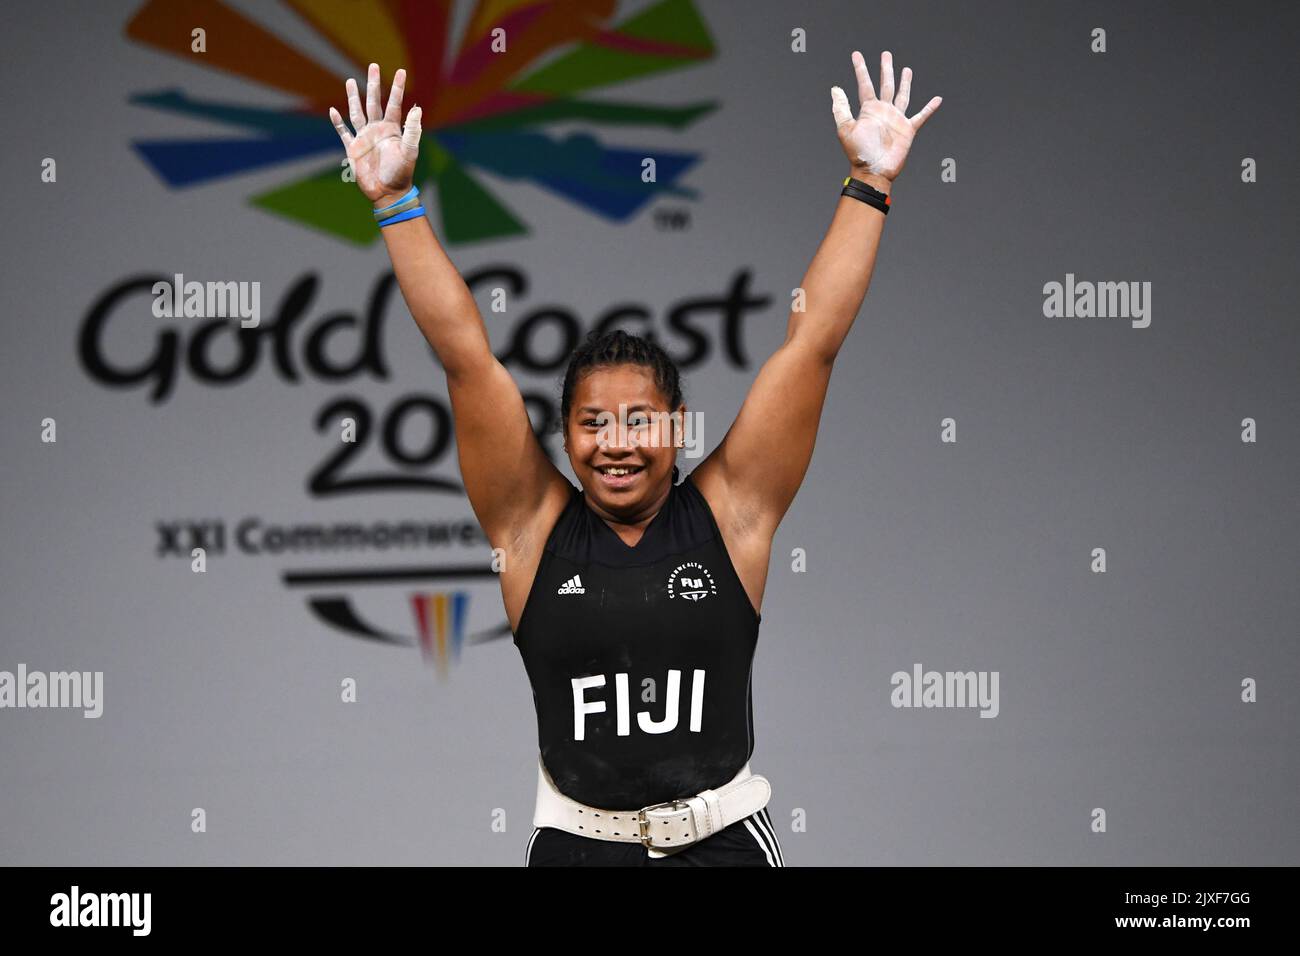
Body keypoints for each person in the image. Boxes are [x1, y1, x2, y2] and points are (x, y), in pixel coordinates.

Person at [329, 51, 941, 866]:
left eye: (638, 421)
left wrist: (871, 183)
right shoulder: (529, 523)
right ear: (564, 435)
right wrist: (396, 201)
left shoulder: (734, 511)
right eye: (591, 423)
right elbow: (465, 356)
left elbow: (814, 343)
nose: (615, 442)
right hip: (579, 848)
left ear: (679, 428)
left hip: (724, 846)